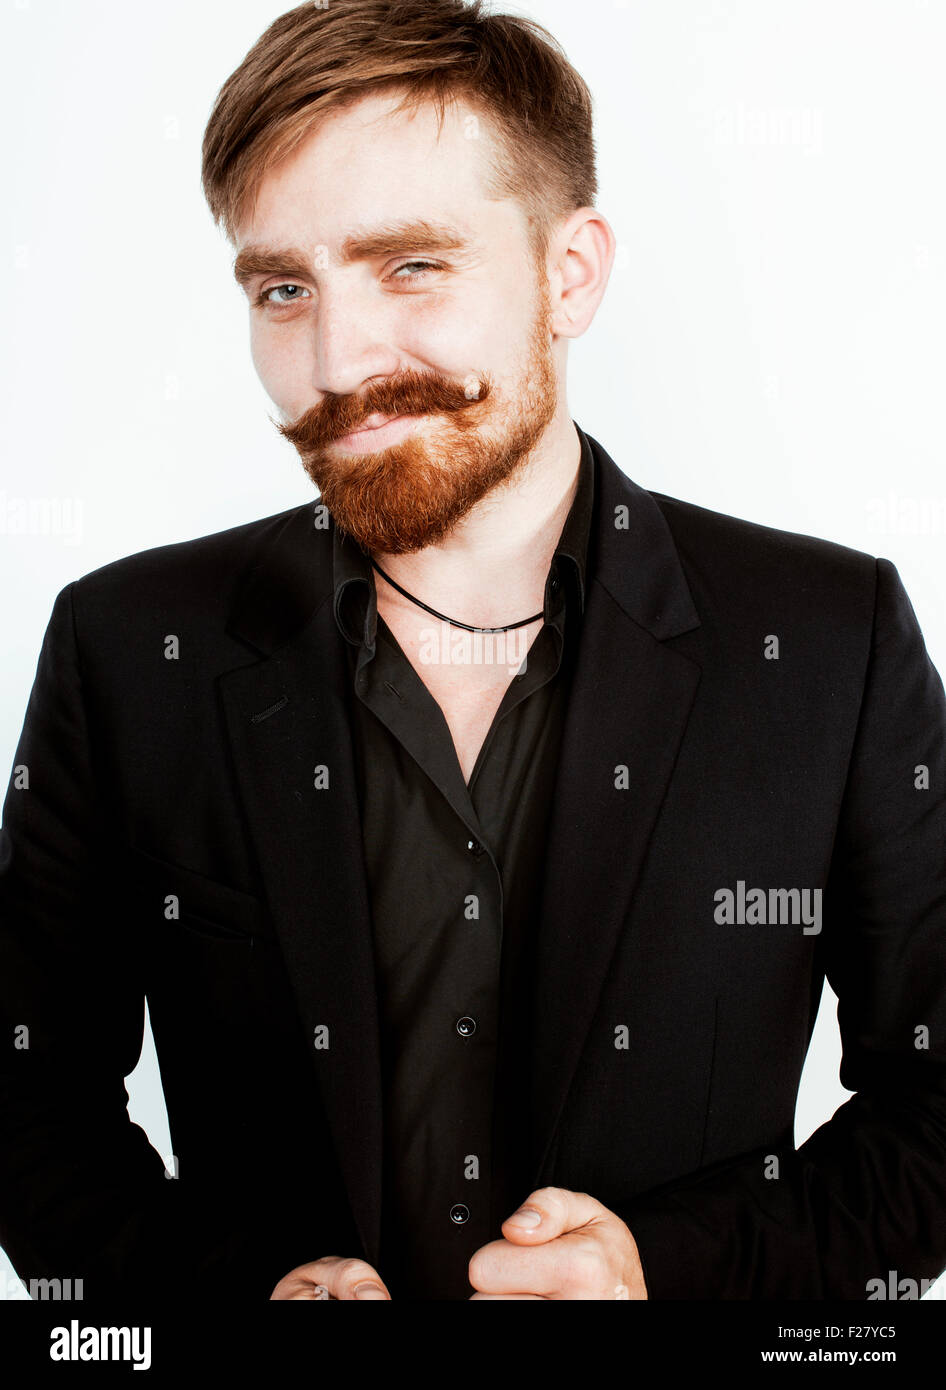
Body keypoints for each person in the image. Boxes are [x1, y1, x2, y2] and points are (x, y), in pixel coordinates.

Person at [2, 0, 945, 1303]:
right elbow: (27, 1097)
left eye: (409, 267)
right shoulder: (124, 649)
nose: (335, 363)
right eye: (284, 288)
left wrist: (659, 1270)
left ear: (571, 274)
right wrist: (227, 1292)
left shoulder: (829, 641)